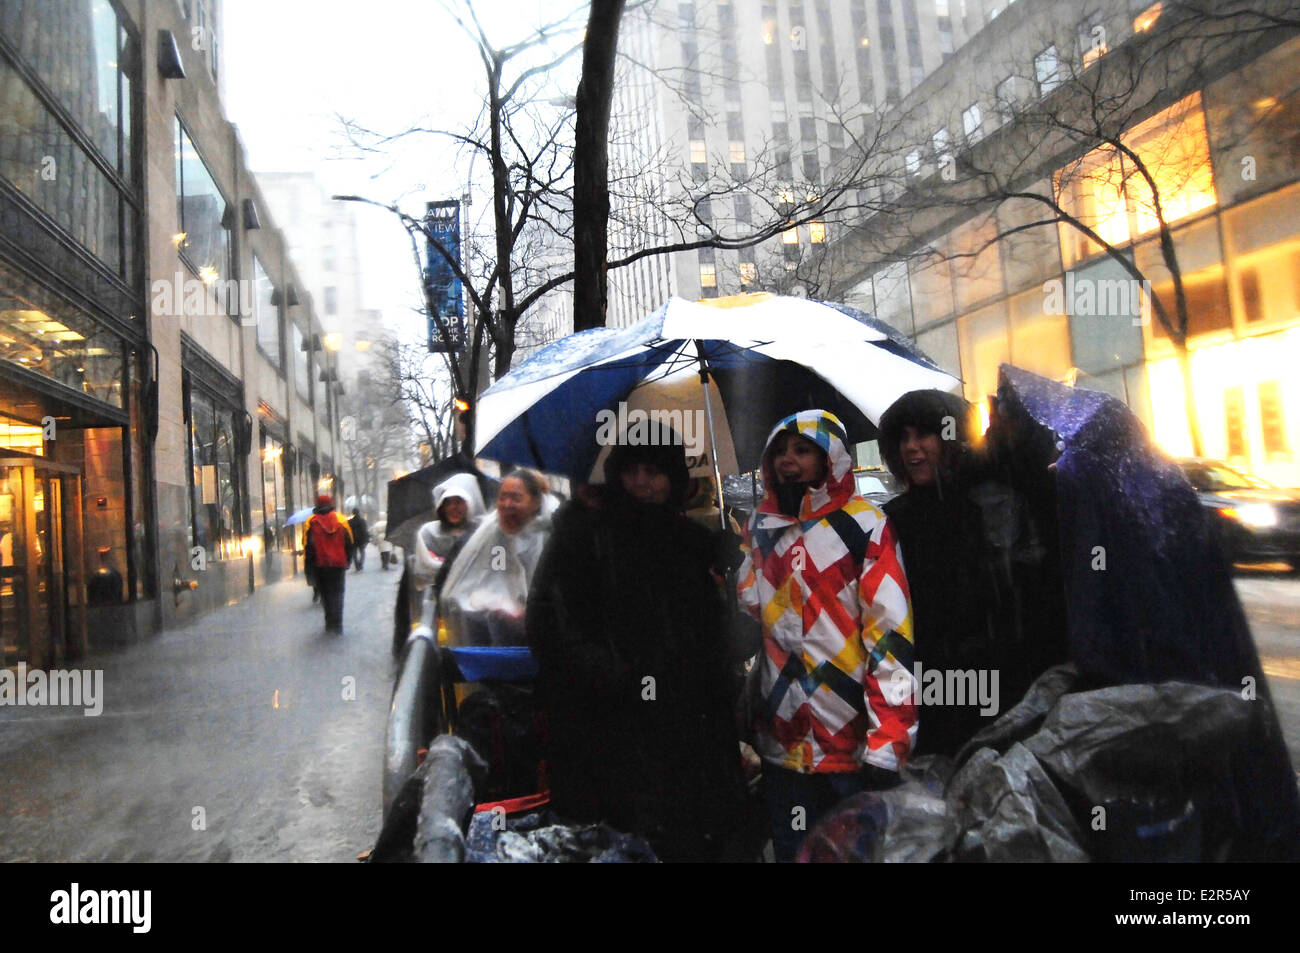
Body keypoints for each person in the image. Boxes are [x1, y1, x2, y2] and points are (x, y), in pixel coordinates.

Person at [527, 430, 747, 862]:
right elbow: (548, 623)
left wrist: (731, 635)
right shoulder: (585, 534)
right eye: (632, 471)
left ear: (674, 478)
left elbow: (699, 630)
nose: (643, 483)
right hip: (616, 727)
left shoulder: (689, 541)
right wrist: (613, 673)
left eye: (655, 472)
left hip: (690, 729)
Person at [736, 409, 917, 862]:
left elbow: (891, 638)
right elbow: (750, 615)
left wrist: (890, 740)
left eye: (801, 450)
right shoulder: (760, 527)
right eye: (779, 451)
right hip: (783, 744)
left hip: (852, 746)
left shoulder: (865, 524)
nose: (787, 461)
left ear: (830, 457)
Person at [877, 389, 1070, 759]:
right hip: (929, 681)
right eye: (903, 437)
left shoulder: (990, 499)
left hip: (999, 677)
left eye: (923, 435)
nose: (911, 448)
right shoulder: (894, 519)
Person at [438, 468, 552, 647]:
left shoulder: (550, 536)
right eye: (502, 497)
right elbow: (497, 573)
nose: (507, 504)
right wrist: (495, 601)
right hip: (506, 633)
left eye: (515, 498)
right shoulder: (497, 537)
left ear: (535, 502)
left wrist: (530, 613)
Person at [412, 473, 486, 598]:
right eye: (448, 503)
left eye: (458, 502)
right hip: (438, 597)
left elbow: (495, 565)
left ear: (469, 505)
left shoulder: (482, 531)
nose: (453, 508)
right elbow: (423, 569)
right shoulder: (429, 532)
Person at [304, 493, 354, 634]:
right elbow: (349, 543)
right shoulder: (341, 521)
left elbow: (309, 548)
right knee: (338, 593)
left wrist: (309, 567)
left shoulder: (312, 523)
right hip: (338, 565)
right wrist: (348, 561)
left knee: (326, 595)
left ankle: (329, 622)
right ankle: (337, 623)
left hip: (321, 566)